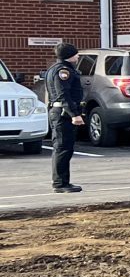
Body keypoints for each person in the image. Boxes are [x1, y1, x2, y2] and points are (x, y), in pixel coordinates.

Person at [46, 42, 85, 194]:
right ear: (69, 56)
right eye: (76, 54)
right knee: (63, 148)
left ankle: (63, 181)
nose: (78, 56)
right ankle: (60, 183)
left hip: (61, 112)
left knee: (65, 148)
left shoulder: (56, 69)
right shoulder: (63, 71)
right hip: (63, 114)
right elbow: (63, 94)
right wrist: (74, 114)